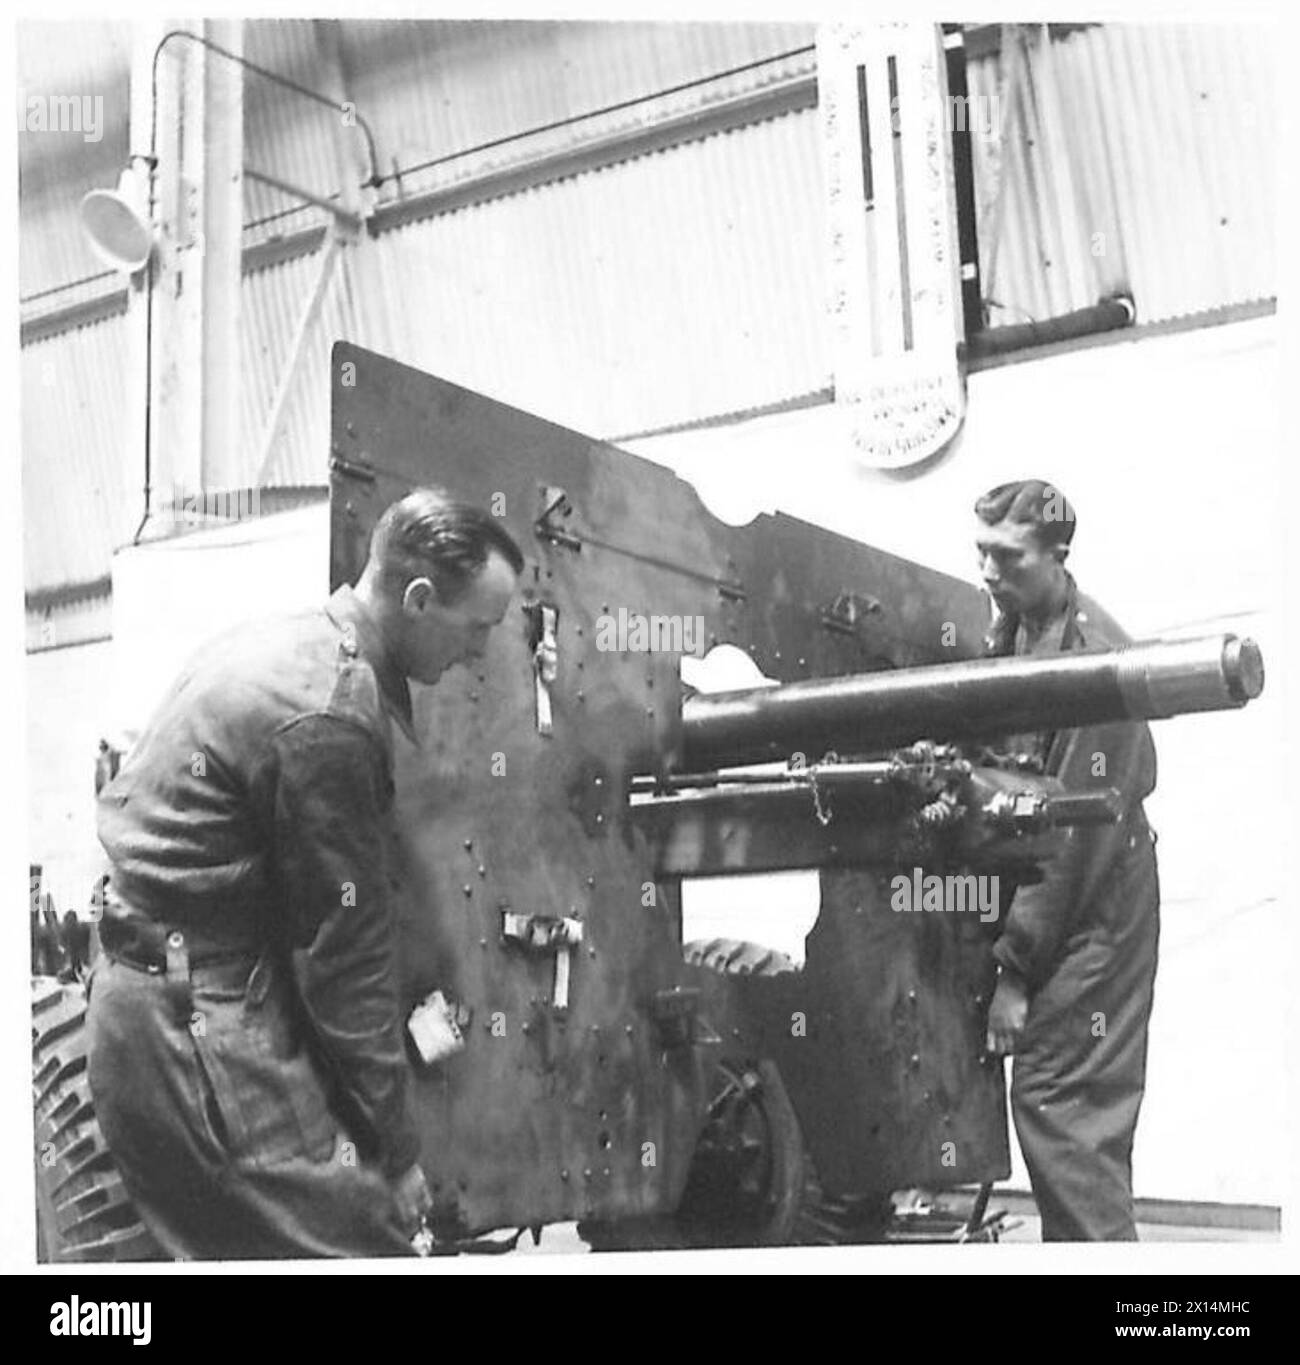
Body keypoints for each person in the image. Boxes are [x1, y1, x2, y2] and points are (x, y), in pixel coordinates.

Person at [87, 488, 525, 1259]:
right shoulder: (330, 713)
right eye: (478, 628)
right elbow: (344, 966)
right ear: (420, 599)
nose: (481, 652)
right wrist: (396, 1153)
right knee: (370, 1240)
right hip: (188, 1017)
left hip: (154, 991)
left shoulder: (288, 640)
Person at [975, 479, 1160, 1241]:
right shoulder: (1015, 627)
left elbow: (1073, 836)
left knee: (1064, 1102)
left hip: (1095, 902)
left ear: (1058, 555)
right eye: (981, 552)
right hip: (1056, 887)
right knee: (1063, 1108)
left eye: (1008, 557)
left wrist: (1013, 974)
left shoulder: (1096, 656)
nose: (988, 572)